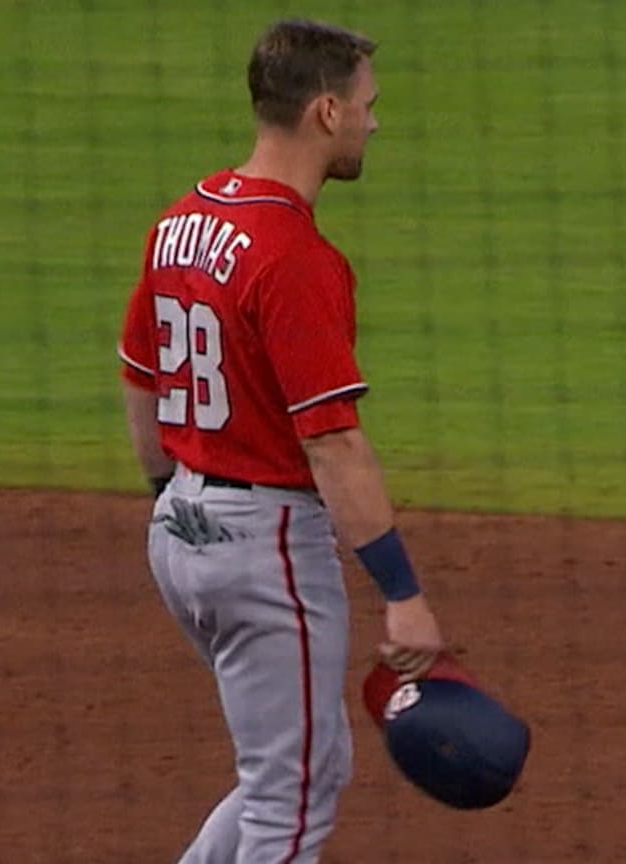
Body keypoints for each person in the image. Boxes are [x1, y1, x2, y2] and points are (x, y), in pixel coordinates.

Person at [116, 18, 446, 864]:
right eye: (367, 104)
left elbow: (139, 377)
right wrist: (403, 593)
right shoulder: (294, 255)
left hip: (180, 537)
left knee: (304, 768)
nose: (375, 122)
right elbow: (333, 443)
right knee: (287, 806)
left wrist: (175, 503)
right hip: (264, 555)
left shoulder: (181, 220)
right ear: (326, 112)